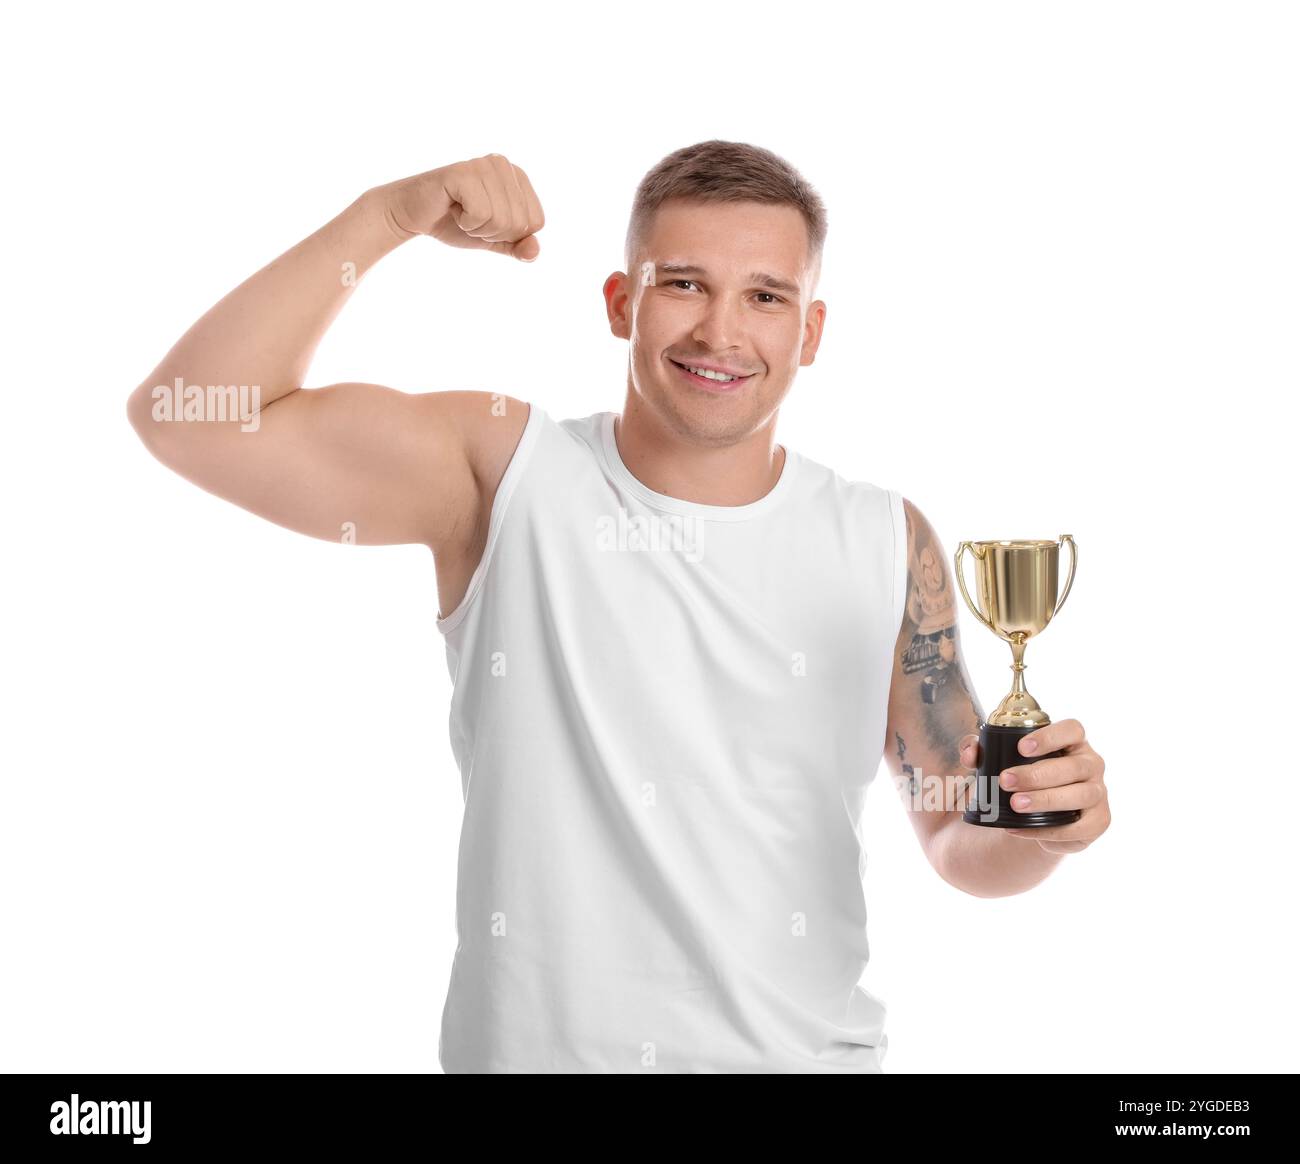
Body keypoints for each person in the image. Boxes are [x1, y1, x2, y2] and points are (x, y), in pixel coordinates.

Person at [127, 140, 1110, 1073]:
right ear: (619, 303)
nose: (721, 331)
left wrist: (1042, 829)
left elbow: (954, 832)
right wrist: (388, 214)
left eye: (765, 296)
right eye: (682, 283)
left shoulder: (884, 537)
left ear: (808, 331)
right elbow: (191, 413)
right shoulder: (503, 474)